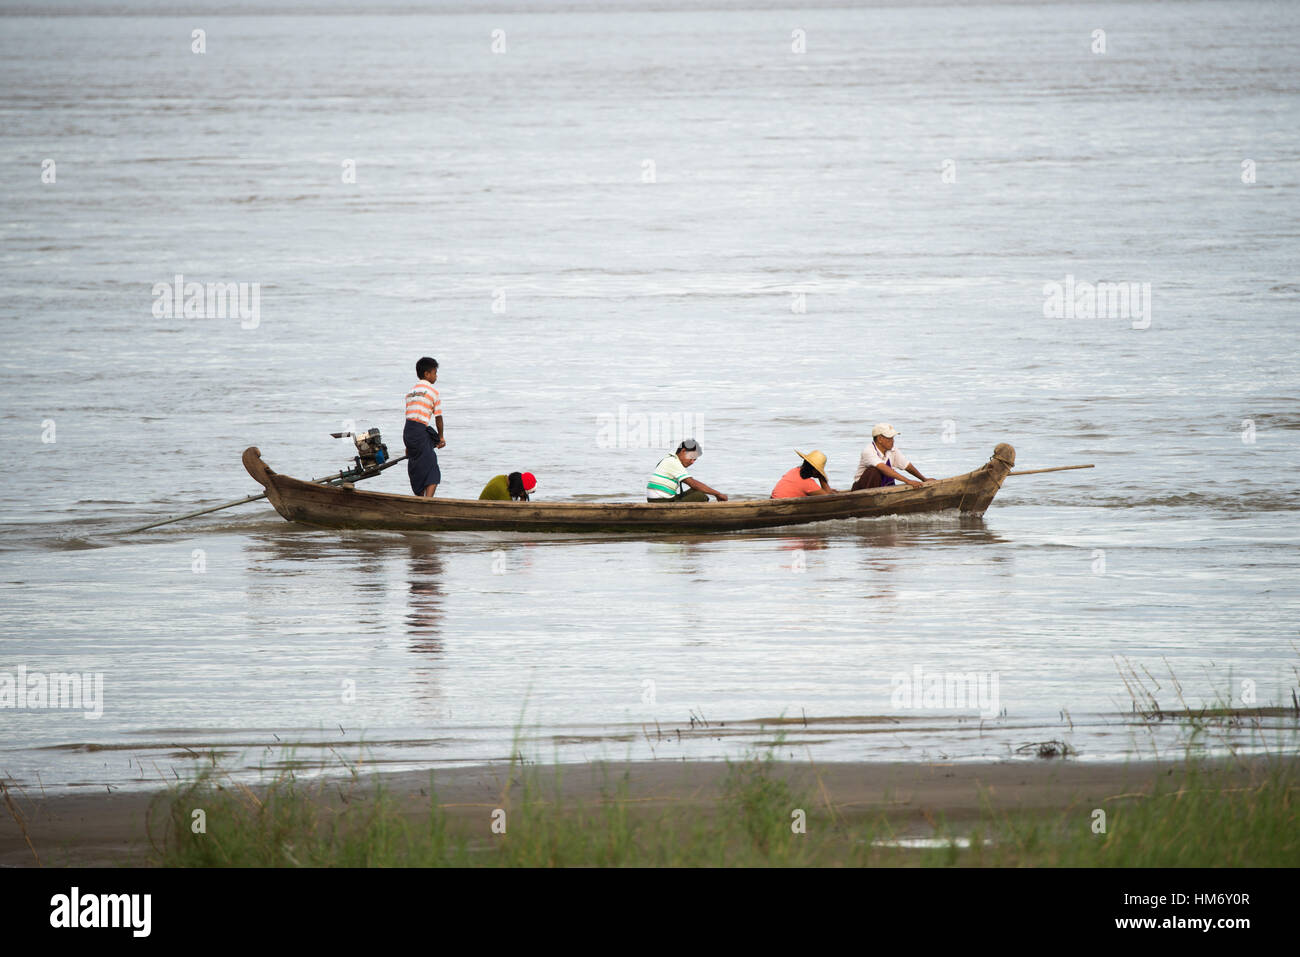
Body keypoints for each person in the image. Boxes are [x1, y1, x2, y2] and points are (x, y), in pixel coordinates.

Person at [404, 357, 445, 497]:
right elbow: (438, 417)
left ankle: (420, 498)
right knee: (432, 467)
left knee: (416, 464)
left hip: (408, 432)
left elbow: (410, 415)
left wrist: (408, 445)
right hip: (419, 431)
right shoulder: (433, 391)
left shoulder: (411, 392)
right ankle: (427, 501)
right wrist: (441, 437)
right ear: (427, 374)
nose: (436, 376)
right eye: (434, 373)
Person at [850, 424, 935, 491]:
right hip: (862, 488)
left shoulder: (892, 450)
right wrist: (908, 481)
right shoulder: (868, 451)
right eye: (889, 438)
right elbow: (883, 468)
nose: (893, 441)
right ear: (879, 439)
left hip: (882, 487)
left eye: (893, 438)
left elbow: (907, 466)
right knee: (874, 471)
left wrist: (924, 479)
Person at [646, 439, 728, 503]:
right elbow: (693, 484)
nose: (692, 462)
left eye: (694, 460)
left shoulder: (670, 459)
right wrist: (718, 494)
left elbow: (694, 486)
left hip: (662, 499)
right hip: (660, 501)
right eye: (691, 458)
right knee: (700, 496)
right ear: (683, 451)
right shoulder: (673, 462)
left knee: (696, 491)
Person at [771, 450, 839, 498]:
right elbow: (828, 498)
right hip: (783, 505)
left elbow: (824, 492)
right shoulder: (807, 483)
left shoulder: (794, 471)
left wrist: (826, 491)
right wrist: (821, 477)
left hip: (774, 498)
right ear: (815, 470)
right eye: (818, 470)